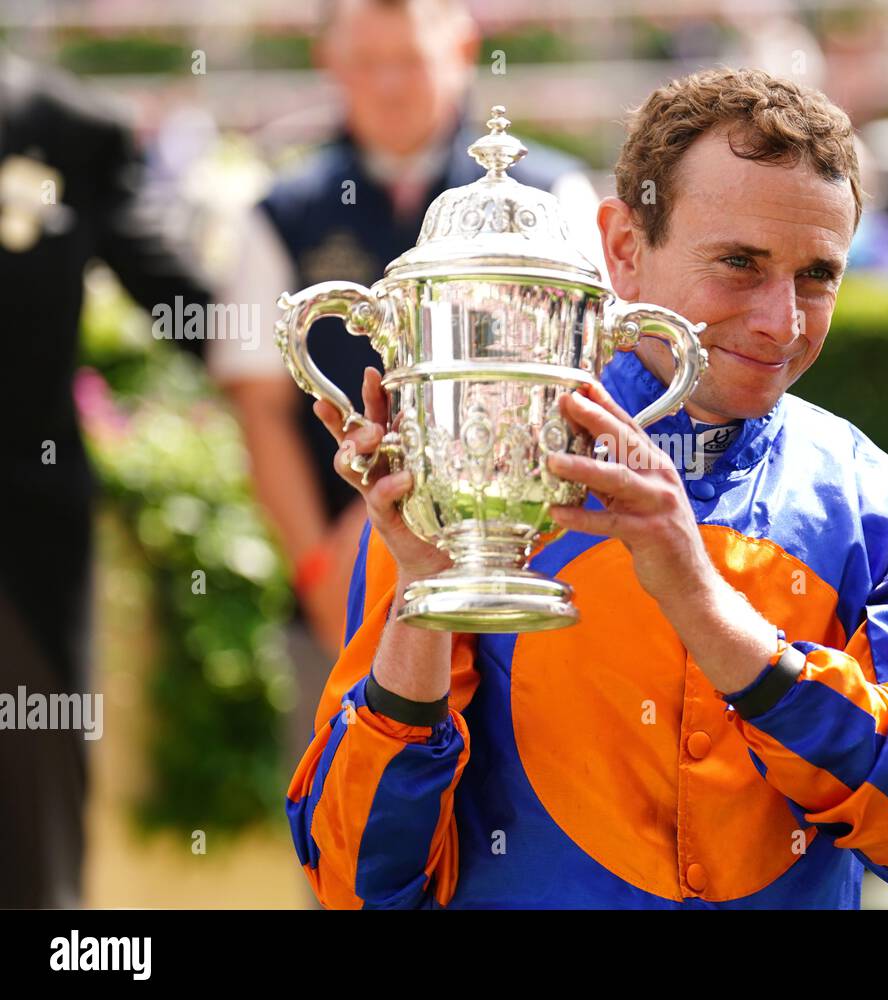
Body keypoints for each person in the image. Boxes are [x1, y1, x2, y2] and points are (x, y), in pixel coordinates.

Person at [286, 67, 888, 909]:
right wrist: (423, 603)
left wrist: (697, 596)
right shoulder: (472, 477)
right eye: (738, 263)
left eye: (817, 276)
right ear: (622, 248)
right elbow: (359, 881)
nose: (781, 321)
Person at [205, 0, 598, 769]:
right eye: (367, 63)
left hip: (540, 588)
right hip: (340, 598)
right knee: (352, 843)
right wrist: (323, 570)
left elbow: (590, 380)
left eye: (410, 60)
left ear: (462, 49)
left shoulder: (558, 196)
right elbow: (260, 411)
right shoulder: (282, 213)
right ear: (332, 64)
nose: (389, 85)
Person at [0, 50, 213, 907]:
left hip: (22, 544)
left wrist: (315, 359)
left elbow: (177, 299)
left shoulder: (64, 128)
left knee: (31, 826)